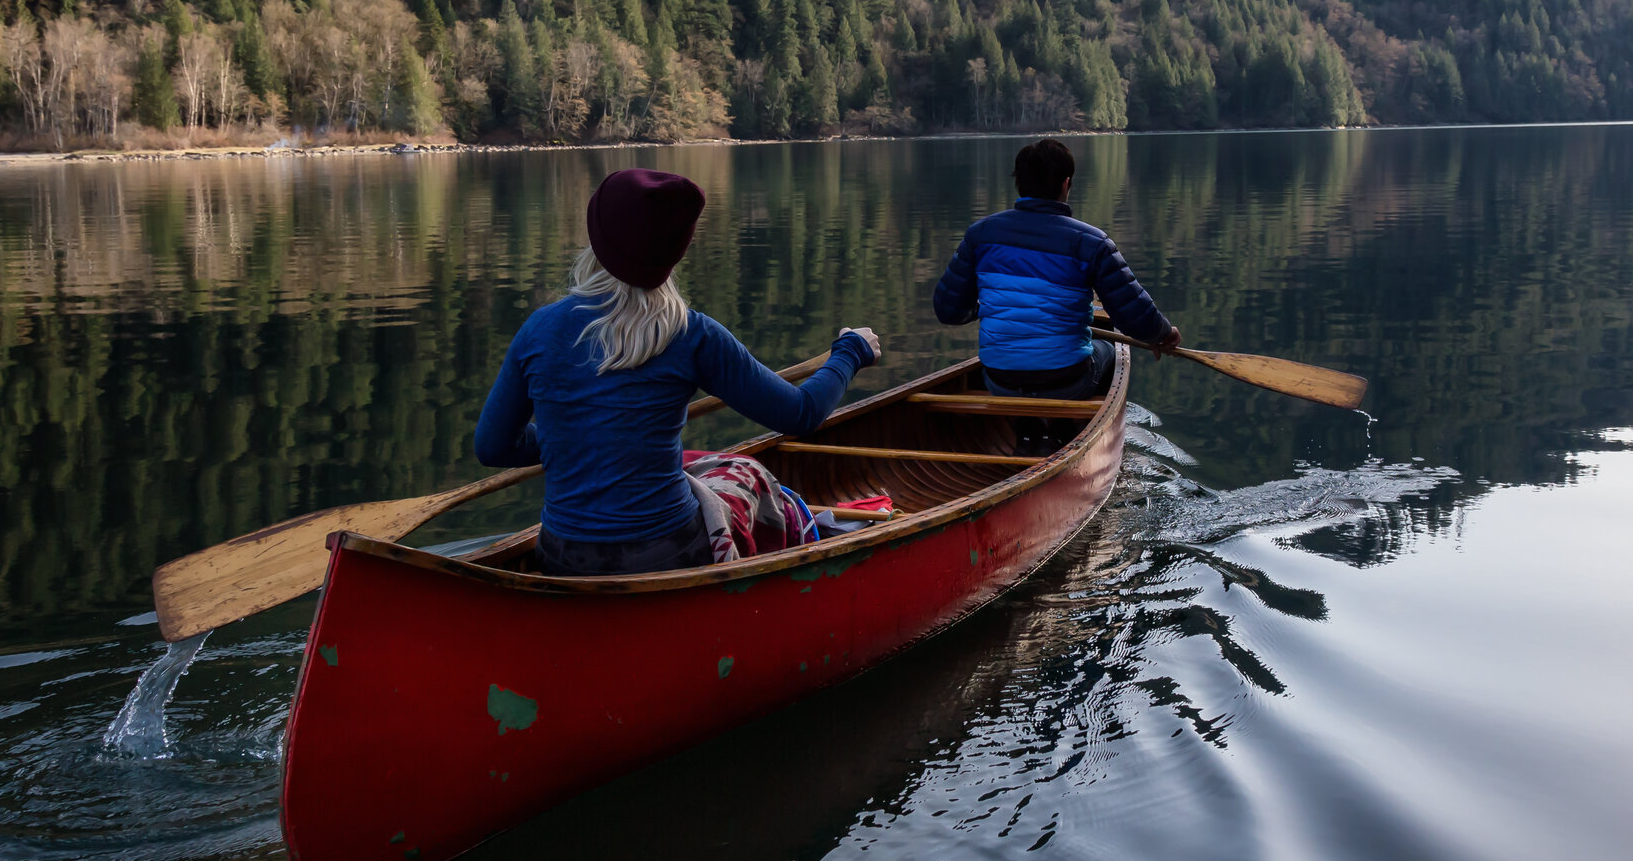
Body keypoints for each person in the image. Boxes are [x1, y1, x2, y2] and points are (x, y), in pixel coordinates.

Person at [474, 168, 881, 576]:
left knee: (709, 467)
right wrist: (850, 351)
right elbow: (801, 413)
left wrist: (573, 436)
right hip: (668, 552)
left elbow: (494, 447)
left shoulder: (539, 329)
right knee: (747, 472)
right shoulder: (691, 334)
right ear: (675, 250)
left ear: (597, 235)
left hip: (562, 556)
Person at [932, 138, 1179, 399]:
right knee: (1110, 351)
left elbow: (949, 310)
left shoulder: (980, 235)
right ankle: (1069, 426)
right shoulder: (1092, 243)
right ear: (1066, 183)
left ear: (1019, 183)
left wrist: (987, 308)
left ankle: (1028, 431)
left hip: (998, 378)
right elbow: (1133, 315)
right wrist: (1163, 333)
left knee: (1027, 371)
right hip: (1068, 379)